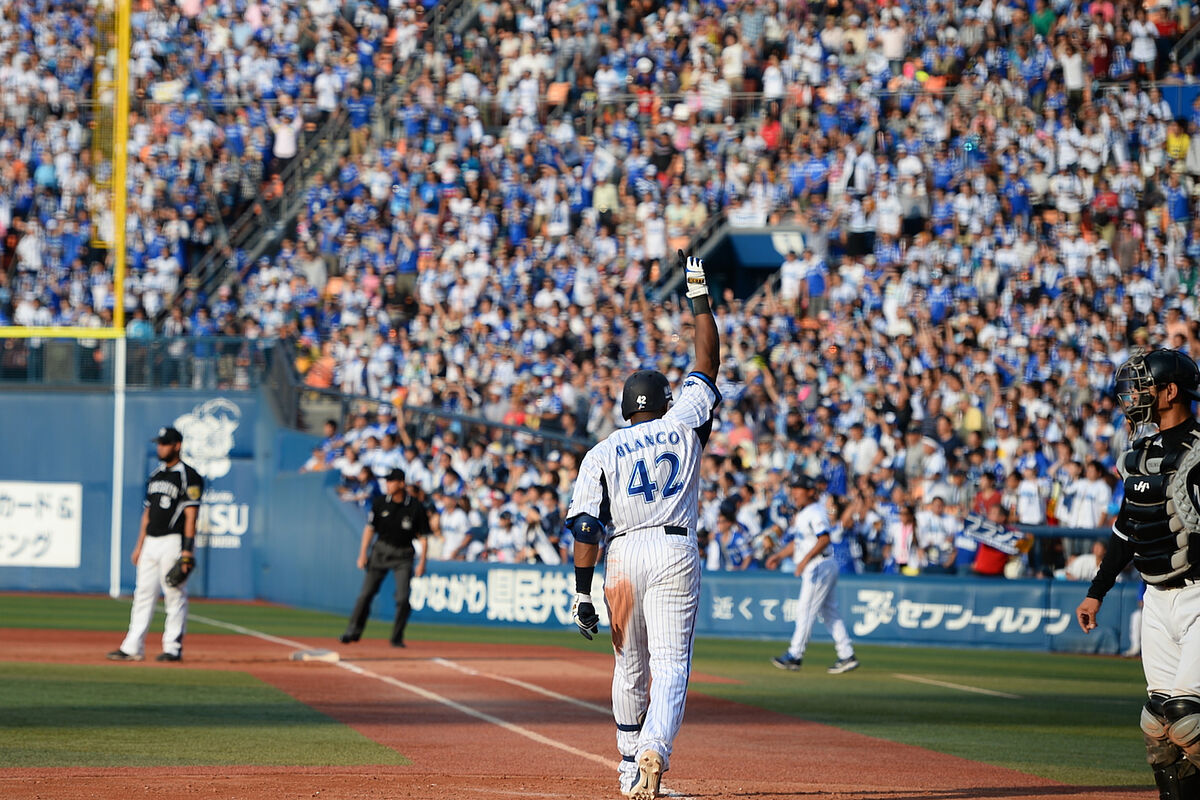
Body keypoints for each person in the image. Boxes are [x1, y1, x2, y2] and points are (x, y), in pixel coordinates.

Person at [564, 252, 720, 800]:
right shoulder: (682, 425)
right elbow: (708, 358)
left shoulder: (602, 451)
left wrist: (582, 595)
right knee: (671, 666)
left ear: (626, 407)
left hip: (622, 558)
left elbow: (586, 527)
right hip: (675, 551)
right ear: (664, 401)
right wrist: (697, 291)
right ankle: (655, 749)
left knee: (628, 667)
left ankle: (630, 770)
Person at [1076, 349, 1200, 800]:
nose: (1135, 394)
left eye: (1146, 385)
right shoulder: (1141, 451)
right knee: (1159, 722)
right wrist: (1097, 592)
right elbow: (1126, 531)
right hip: (1156, 598)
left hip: (1197, 595)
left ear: (1171, 391)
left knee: (1189, 717)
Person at [108, 426, 203, 662]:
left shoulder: (189, 476)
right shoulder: (156, 475)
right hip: (151, 541)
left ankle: (172, 647)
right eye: (159, 443)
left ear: (177, 445)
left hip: (173, 541)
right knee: (142, 593)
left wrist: (187, 552)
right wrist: (139, 545)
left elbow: (191, 516)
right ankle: (132, 647)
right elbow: (147, 513)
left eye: (165, 443)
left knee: (174, 592)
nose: (160, 447)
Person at [766, 473, 859, 674]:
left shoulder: (816, 511)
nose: (794, 493)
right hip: (821, 564)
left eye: (798, 489)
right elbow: (798, 543)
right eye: (793, 489)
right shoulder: (804, 513)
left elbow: (824, 539)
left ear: (810, 491)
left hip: (819, 565)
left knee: (805, 610)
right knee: (830, 613)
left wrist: (804, 561)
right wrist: (779, 556)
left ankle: (795, 655)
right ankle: (846, 654)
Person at [339, 468, 429, 647]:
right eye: (387, 481)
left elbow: (423, 537)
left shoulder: (415, 506)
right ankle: (353, 630)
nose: (388, 484)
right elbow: (370, 529)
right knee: (365, 595)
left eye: (391, 481)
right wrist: (362, 553)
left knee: (403, 598)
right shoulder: (380, 503)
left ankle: (396, 636)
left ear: (402, 484)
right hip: (380, 551)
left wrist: (422, 563)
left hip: (403, 554)